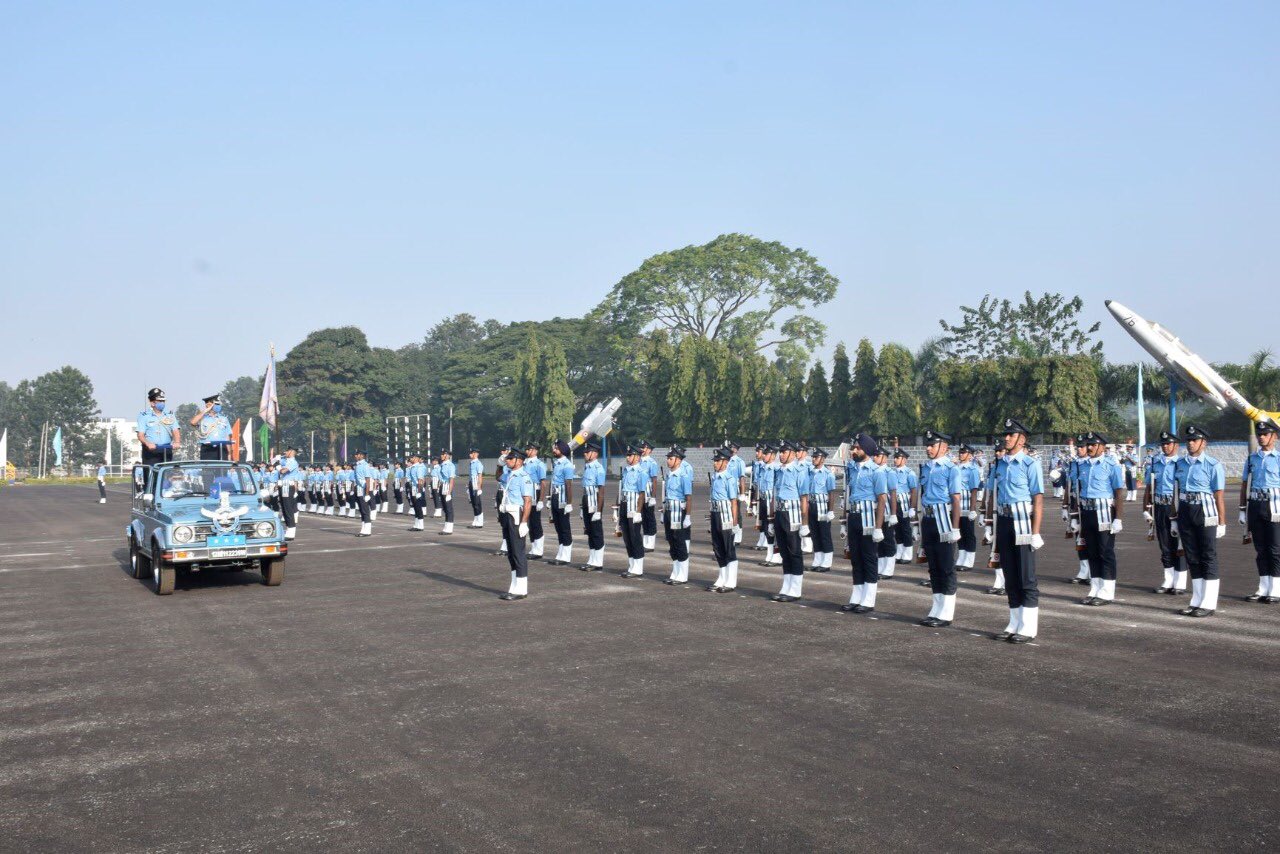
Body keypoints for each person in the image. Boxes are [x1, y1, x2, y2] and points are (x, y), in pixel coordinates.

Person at [989, 418, 1045, 643]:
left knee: (1025, 576)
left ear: (1022, 440)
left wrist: (1036, 531)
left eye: (1011, 435)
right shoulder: (1000, 464)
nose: (1006, 438)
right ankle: (1014, 622)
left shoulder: (1031, 465)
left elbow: (1038, 499)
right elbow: (994, 494)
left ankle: (1028, 626)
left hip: (1022, 521)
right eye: (1006, 434)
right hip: (1003, 519)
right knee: (1009, 574)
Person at [1175, 425, 1226, 616]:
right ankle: (1196, 599)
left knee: (1208, 555)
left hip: (1206, 511)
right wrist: (1174, 518)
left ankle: (1209, 602)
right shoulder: (1179, 464)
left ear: (1203, 443)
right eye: (1188, 440)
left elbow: (1218, 495)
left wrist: (1222, 522)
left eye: (1194, 440)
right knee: (1192, 556)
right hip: (1186, 510)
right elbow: (1176, 492)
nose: (1190, 443)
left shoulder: (1213, 465)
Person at [917, 430, 963, 627]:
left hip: (944, 518)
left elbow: (956, 499)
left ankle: (946, 612)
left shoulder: (952, 469)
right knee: (933, 567)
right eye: (927, 445)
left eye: (932, 445)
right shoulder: (926, 468)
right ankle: (936, 608)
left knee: (946, 567)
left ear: (943, 447)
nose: (928, 448)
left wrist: (955, 527)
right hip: (928, 518)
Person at [841, 433, 887, 614]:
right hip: (854, 516)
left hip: (868, 518)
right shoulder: (853, 469)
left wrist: (878, 527)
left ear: (866, 451)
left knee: (868, 558)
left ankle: (868, 599)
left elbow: (882, 499)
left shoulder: (877, 471)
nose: (854, 450)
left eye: (857, 448)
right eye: (853, 447)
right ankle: (856, 596)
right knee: (856, 558)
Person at [1078, 431, 1126, 605]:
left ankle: (1107, 591)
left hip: (1104, 513)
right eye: (1088, 444)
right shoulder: (1082, 466)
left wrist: (1118, 518)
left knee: (1105, 551)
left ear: (1102, 447)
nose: (1089, 447)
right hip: (1088, 511)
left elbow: (1118, 492)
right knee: (1091, 551)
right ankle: (1095, 587)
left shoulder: (1110, 465)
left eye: (1093, 444)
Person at [1241, 421, 1280, 604]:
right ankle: (1263, 587)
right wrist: (1242, 510)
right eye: (1260, 434)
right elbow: (1244, 485)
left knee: (1274, 549)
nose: (1261, 437)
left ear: (1275, 437)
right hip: (1256, 504)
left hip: (1275, 506)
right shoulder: (1251, 459)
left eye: (1265, 434)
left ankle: (1276, 588)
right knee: (1260, 549)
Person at [1144, 431, 1186, 595]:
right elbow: (1149, 487)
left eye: (1168, 443)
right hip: (1160, 506)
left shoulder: (1181, 463)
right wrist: (1145, 510)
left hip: (1176, 505)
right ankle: (1168, 579)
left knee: (1179, 545)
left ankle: (1180, 582)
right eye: (1163, 444)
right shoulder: (1156, 463)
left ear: (1176, 445)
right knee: (1165, 544)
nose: (1165, 446)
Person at [498, 447, 534, 600]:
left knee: (518, 552)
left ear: (519, 460)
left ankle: (521, 588)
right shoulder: (509, 475)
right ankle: (514, 585)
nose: (508, 461)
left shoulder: (524, 477)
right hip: (507, 514)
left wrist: (524, 522)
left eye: (510, 459)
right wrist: (500, 464)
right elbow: (498, 477)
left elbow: (528, 501)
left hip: (517, 516)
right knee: (511, 552)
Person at [706, 446, 742, 592]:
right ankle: (722, 577)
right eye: (714, 461)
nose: (715, 463)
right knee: (717, 546)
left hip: (726, 515)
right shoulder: (715, 477)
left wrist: (735, 523)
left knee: (728, 547)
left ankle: (731, 581)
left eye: (718, 461)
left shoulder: (729, 478)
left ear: (725, 462)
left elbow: (734, 502)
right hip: (715, 514)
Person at [660, 447, 694, 584]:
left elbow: (689, 498)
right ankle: (675, 571)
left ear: (678, 460)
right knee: (671, 542)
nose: (668, 461)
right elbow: (666, 496)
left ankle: (683, 574)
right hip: (669, 511)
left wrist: (687, 516)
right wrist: (663, 512)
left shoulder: (683, 476)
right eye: (668, 458)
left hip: (678, 513)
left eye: (671, 458)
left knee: (679, 542)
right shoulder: (669, 475)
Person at [618, 446, 648, 577]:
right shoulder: (625, 470)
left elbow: (642, 494)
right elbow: (622, 490)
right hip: (625, 505)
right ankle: (632, 565)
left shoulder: (641, 472)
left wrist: (638, 512)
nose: (627, 457)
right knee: (627, 537)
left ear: (637, 457)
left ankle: (638, 567)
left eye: (630, 455)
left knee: (635, 537)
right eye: (627, 455)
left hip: (633, 507)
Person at [807, 448, 837, 573]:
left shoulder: (828, 474)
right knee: (815, 534)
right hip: (812, 505)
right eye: (813, 457)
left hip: (822, 507)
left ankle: (826, 562)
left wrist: (831, 510)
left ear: (822, 459)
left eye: (816, 457)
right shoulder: (811, 473)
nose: (813, 459)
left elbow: (831, 494)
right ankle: (817, 560)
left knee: (824, 535)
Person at [547, 441, 577, 565]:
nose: (554, 451)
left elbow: (568, 485)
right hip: (555, 497)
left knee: (564, 528)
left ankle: (566, 556)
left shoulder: (567, 465)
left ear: (563, 450)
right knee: (558, 527)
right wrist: (549, 498)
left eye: (556, 449)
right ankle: (560, 553)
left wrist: (569, 503)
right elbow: (553, 482)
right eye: (554, 448)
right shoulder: (557, 463)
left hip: (562, 499)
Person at [578, 442, 607, 571]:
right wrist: (581, 507)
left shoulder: (598, 468)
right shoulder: (587, 467)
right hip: (586, 501)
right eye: (585, 452)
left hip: (595, 502)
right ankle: (592, 558)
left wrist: (598, 511)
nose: (585, 454)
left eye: (587, 452)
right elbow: (585, 490)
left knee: (596, 532)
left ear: (595, 454)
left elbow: (601, 491)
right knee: (589, 531)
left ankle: (598, 561)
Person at [955, 444, 983, 571]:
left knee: (968, 533)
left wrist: (972, 509)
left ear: (970, 455)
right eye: (960, 452)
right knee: (959, 532)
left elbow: (974, 490)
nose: (961, 454)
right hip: (956, 506)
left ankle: (969, 560)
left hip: (966, 505)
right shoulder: (955, 468)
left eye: (964, 452)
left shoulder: (972, 470)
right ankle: (961, 558)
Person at [136, 388, 180, 467]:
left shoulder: (169, 415)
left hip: (166, 449)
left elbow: (175, 430)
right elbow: (140, 435)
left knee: (166, 475)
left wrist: (177, 442)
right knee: (151, 476)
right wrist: (148, 443)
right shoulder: (144, 416)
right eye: (160, 401)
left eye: (163, 401)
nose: (162, 403)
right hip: (151, 451)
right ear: (152, 403)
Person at [872, 445, 898, 579]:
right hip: (875, 512)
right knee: (879, 542)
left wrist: (893, 514)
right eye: (874, 455)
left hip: (886, 511)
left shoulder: (890, 472)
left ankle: (889, 568)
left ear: (884, 458)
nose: (874, 458)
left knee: (888, 540)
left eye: (877, 455)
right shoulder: (872, 471)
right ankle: (881, 567)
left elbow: (893, 493)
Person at [891, 449, 918, 564]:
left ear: (904, 460)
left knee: (905, 529)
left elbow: (914, 491)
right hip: (894, 503)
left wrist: (912, 507)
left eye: (897, 458)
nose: (895, 460)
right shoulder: (892, 472)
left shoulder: (909, 473)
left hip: (904, 504)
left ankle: (907, 554)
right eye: (895, 457)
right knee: (897, 529)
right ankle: (899, 552)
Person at [523, 442, 548, 559]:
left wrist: (540, 500)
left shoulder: (539, 464)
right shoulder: (524, 463)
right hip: (527, 494)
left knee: (535, 522)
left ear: (535, 451)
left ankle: (539, 550)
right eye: (527, 449)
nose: (527, 451)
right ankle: (533, 548)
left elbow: (543, 483)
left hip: (535, 493)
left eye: (529, 450)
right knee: (530, 523)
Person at [189, 394, 232, 460]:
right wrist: (205, 411)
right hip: (208, 449)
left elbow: (227, 436)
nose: (218, 406)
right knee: (208, 470)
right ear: (208, 405)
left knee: (222, 469)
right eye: (215, 404)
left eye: (218, 404)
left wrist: (229, 453)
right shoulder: (203, 418)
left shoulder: (224, 419)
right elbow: (193, 422)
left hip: (222, 448)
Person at [638, 440, 661, 551]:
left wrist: (653, 496)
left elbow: (654, 480)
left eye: (645, 448)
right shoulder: (638, 461)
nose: (642, 449)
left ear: (649, 450)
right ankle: (645, 542)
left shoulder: (652, 463)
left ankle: (650, 544)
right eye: (641, 447)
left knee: (649, 518)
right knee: (642, 518)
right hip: (639, 494)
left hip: (647, 494)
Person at [725, 441, 749, 545]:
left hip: (735, 490)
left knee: (736, 513)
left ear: (737, 450)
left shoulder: (739, 462)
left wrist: (742, 493)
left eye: (734, 448)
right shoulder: (726, 460)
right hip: (725, 491)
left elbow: (742, 478)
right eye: (730, 447)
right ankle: (729, 534)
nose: (732, 449)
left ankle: (738, 536)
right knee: (727, 513)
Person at [276, 448, 303, 540]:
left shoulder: (293, 462)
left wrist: (279, 468)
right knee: (284, 508)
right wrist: (277, 460)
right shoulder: (287, 461)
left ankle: (291, 531)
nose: (285, 452)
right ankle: (288, 529)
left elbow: (283, 471)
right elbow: (274, 462)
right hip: (283, 486)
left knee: (288, 509)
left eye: (287, 451)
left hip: (288, 486)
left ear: (291, 452)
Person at [353, 450, 376, 537]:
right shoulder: (358, 465)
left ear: (361, 456)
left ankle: (367, 530)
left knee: (365, 510)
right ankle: (363, 529)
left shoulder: (365, 465)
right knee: (362, 510)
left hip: (364, 489)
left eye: (357, 455)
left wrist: (367, 494)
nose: (355, 456)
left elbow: (367, 479)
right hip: (359, 488)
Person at [406, 452, 428, 531]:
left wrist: (419, 492)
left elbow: (420, 480)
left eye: (412, 457)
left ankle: (421, 525)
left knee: (418, 506)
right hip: (413, 488)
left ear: (416, 458)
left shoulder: (419, 467)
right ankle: (416, 524)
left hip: (417, 488)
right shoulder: (413, 467)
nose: (410, 459)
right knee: (415, 507)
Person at [438, 449, 457, 534]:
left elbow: (451, 479)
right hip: (442, 486)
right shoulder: (442, 465)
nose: (441, 456)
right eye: (441, 454)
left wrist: (449, 492)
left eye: (443, 454)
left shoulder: (450, 465)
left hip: (447, 487)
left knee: (448, 508)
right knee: (445, 508)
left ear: (447, 455)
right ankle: (446, 527)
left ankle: (449, 528)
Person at [467, 448, 485, 527]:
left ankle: (480, 521)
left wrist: (479, 488)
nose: (470, 454)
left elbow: (480, 476)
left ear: (476, 454)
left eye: (471, 453)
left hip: (476, 484)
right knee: (473, 503)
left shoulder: (478, 463)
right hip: (472, 483)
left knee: (477, 503)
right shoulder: (472, 463)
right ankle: (476, 518)